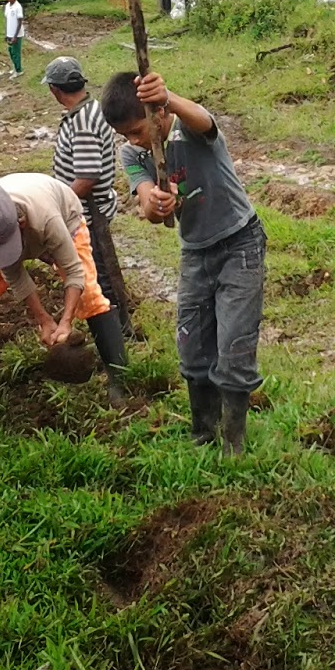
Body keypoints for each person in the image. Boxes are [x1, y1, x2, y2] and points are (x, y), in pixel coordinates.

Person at [101, 69, 264, 456]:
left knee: (235, 345)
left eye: (137, 130)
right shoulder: (134, 153)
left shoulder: (186, 129)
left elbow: (205, 120)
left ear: (158, 113)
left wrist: (167, 96)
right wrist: (156, 203)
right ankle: (203, 433)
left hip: (240, 243)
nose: (133, 140)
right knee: (192, 347)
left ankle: (234, 443)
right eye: (125, 135)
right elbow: (147, 204)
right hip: (195, 253)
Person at [0, 174, 131, 406]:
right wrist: (44, 320)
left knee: (89, 296)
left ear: (21, 225)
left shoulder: (48, 220)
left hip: (64, 218)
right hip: (11, 224)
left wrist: (66, 322)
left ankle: (119, 380)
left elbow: (74, 272)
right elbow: (16, 276)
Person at [43, 56, 132, 336]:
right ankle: (117, 326)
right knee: (100, 269)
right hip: (87, 209)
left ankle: (119, 330)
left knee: (100, 274)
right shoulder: (89, 110)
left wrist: (58, 206)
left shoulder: (82, 122)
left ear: (55, 90)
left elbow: (87, 177)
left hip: (89, 212)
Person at [3, 0, 24, 76]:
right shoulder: (7, 6)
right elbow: (7, 20)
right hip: (9, 33)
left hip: (16, 34)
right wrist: (6, 33)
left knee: (16, 53)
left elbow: (19, 22)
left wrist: (15, 36)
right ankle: (14, 67)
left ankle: (19, 70)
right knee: (11, 51)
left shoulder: (18, 7)